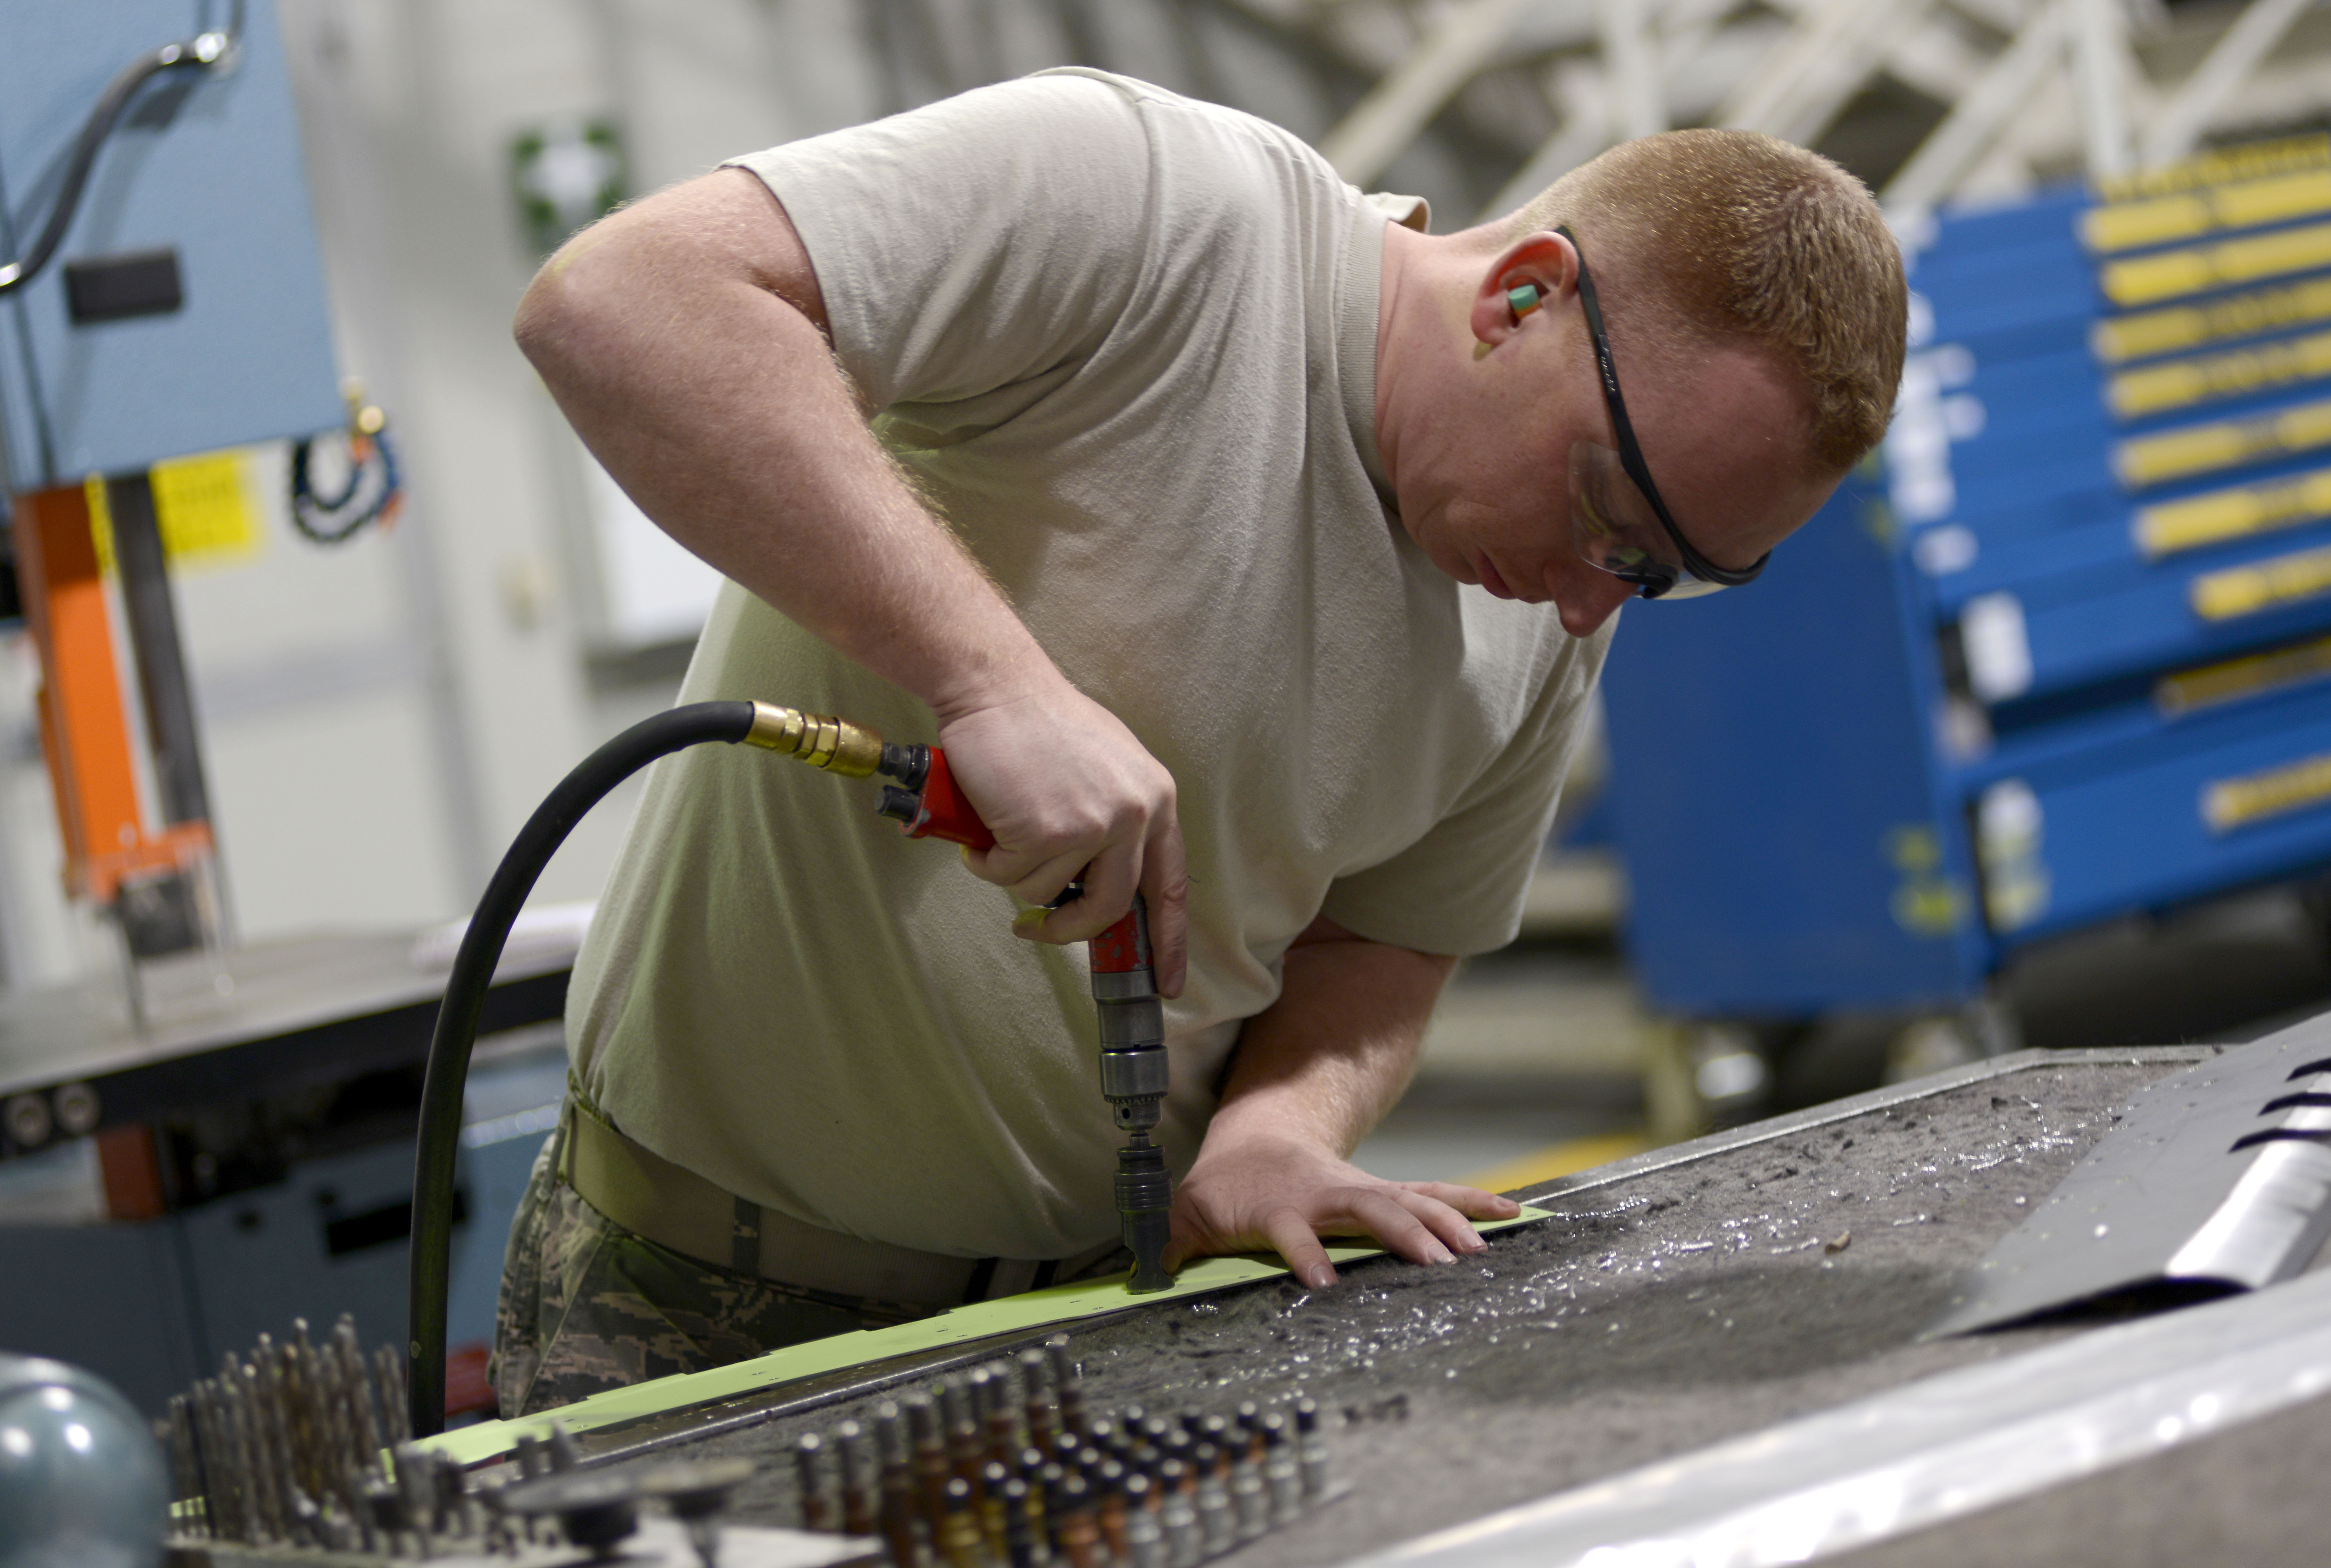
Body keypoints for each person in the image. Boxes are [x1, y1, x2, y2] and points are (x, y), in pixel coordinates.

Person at [490, 67, 1905, 1416]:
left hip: (1110, 1320)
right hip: (697, 1302)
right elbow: (623, 300)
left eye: (1666, 573)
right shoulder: (1148, 209)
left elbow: (1384, 944)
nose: (1598, 595)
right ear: (1520, 298)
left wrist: (1275, 1134)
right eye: (1607, 510)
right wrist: (993, 683)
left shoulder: (1551, 607)